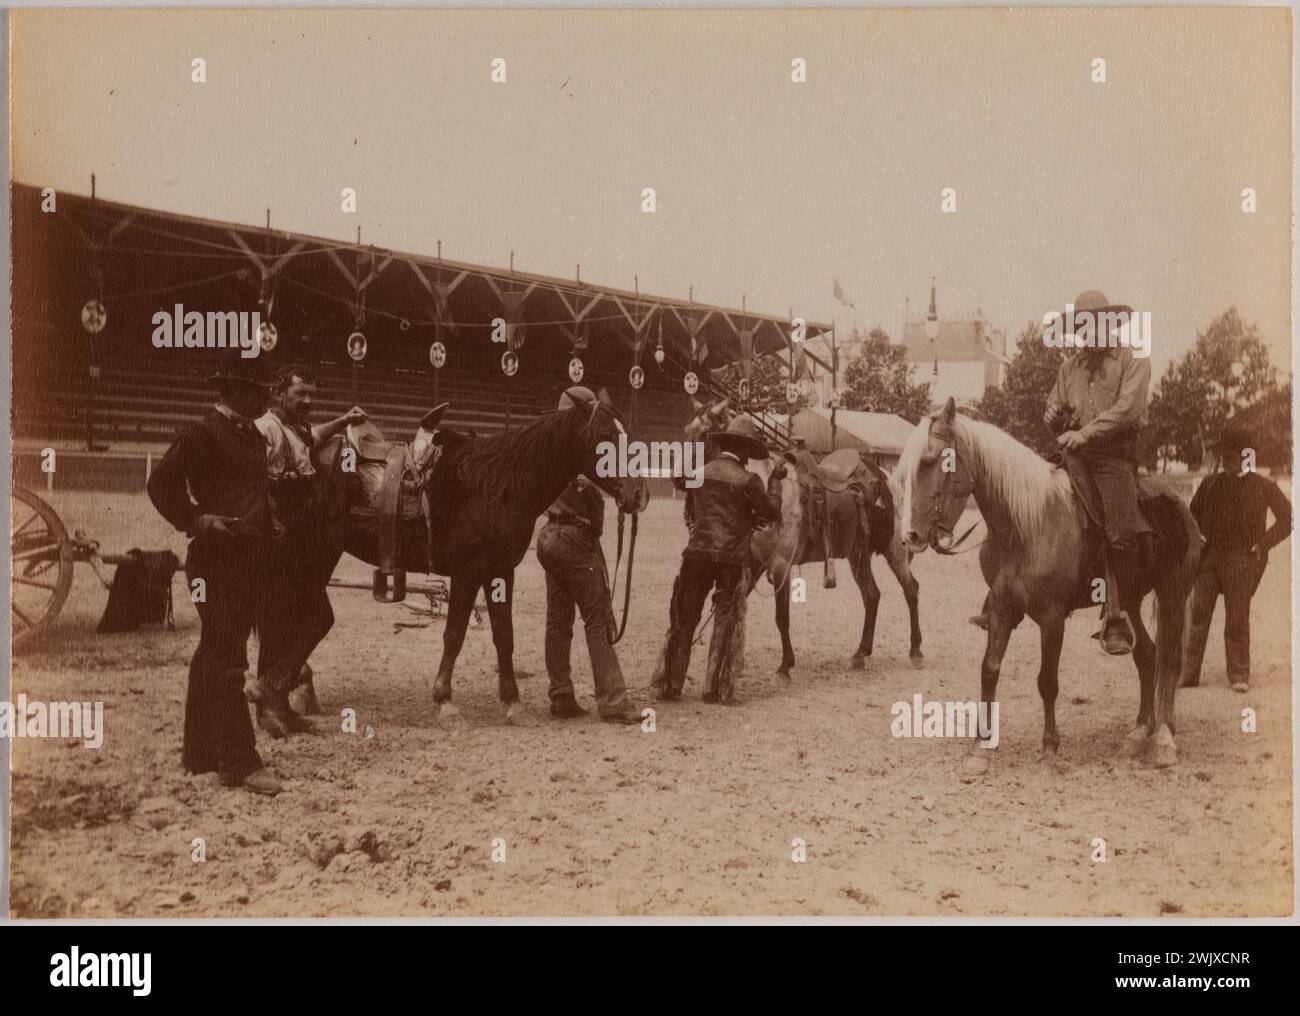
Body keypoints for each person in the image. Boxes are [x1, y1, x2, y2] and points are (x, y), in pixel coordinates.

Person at [146, 360, 280, 795]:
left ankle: (200, 752)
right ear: (234, 392)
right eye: (259, 391)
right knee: (228, 661)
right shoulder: (202, 432)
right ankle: (239, 763)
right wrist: (196, 520)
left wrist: (269, 521)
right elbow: (161, 483)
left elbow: (253, 489)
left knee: (213, 652)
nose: (266, 398)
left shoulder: (254, 436)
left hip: (249, 560)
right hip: (214, 563)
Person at [249, 365, 368, 736]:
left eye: (312, 394)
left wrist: (345, 419)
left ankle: (277, 700)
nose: (308, 401)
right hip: (279, 541)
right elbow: (253, 480)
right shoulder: (267, 429)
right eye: (301, 394)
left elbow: (313, 436)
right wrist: (272, 522)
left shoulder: (294, 429)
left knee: (302, 619)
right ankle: (271, 703)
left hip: (299, 541)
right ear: (279, 394)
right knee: (287, 621)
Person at [652, 415, 783, 704]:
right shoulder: (750, 480)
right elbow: (771, 513)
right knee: (726, 619)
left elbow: (678, 478)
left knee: (684, 618)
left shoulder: (702, 472)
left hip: (696, 556)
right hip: (731, 560)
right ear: (746, 451)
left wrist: (692, 444)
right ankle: (714, 688)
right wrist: (775, 480)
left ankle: (671, 683)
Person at [536, 387, 642, 724]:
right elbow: (606, 503)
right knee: (597, 618)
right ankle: (612, 701)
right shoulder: (584, 454)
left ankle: (561, 694)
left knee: (557, 619)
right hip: (576, 540)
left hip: (550, 537)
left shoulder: (547, 449)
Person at [1181, 421, 1292, 692]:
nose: (1227, 460)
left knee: (1237, 619)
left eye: (1233, 454)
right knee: (1198, 617)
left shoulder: (1263, 486)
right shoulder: (1209, 484)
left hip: (1242, 561)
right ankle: (1188, 674)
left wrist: (1263, 544)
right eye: (1224, 454)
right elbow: (1189, 517)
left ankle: (1239, 674)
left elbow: (1288, 519)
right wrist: (1197, 535)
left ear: (1246, 456)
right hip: (1208, 561)